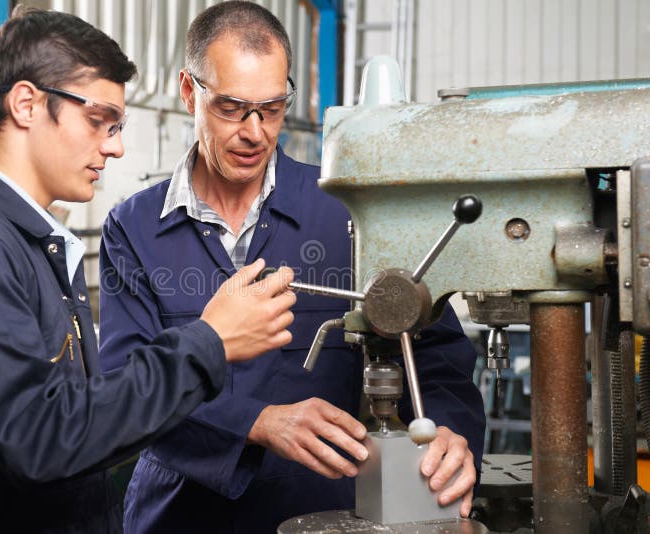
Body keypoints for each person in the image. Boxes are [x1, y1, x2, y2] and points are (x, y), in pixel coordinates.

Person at [0, 6, 297, 533]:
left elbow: (84, 418)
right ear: (27, 103)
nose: (116, 146)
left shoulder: (31, 245)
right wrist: (208, 342)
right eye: (99, 120)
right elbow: (39, 439)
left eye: (118, 126)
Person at [98, 2, 486, 533]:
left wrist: (448, 434)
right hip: (179, 516)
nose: (256, 132)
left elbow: (437, 357)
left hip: (328, 515)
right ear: (190, 91)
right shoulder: (135, 229)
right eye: (233, 108)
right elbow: (125, 392)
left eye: (273, 108)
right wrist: (256, 423)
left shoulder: (351, 213)